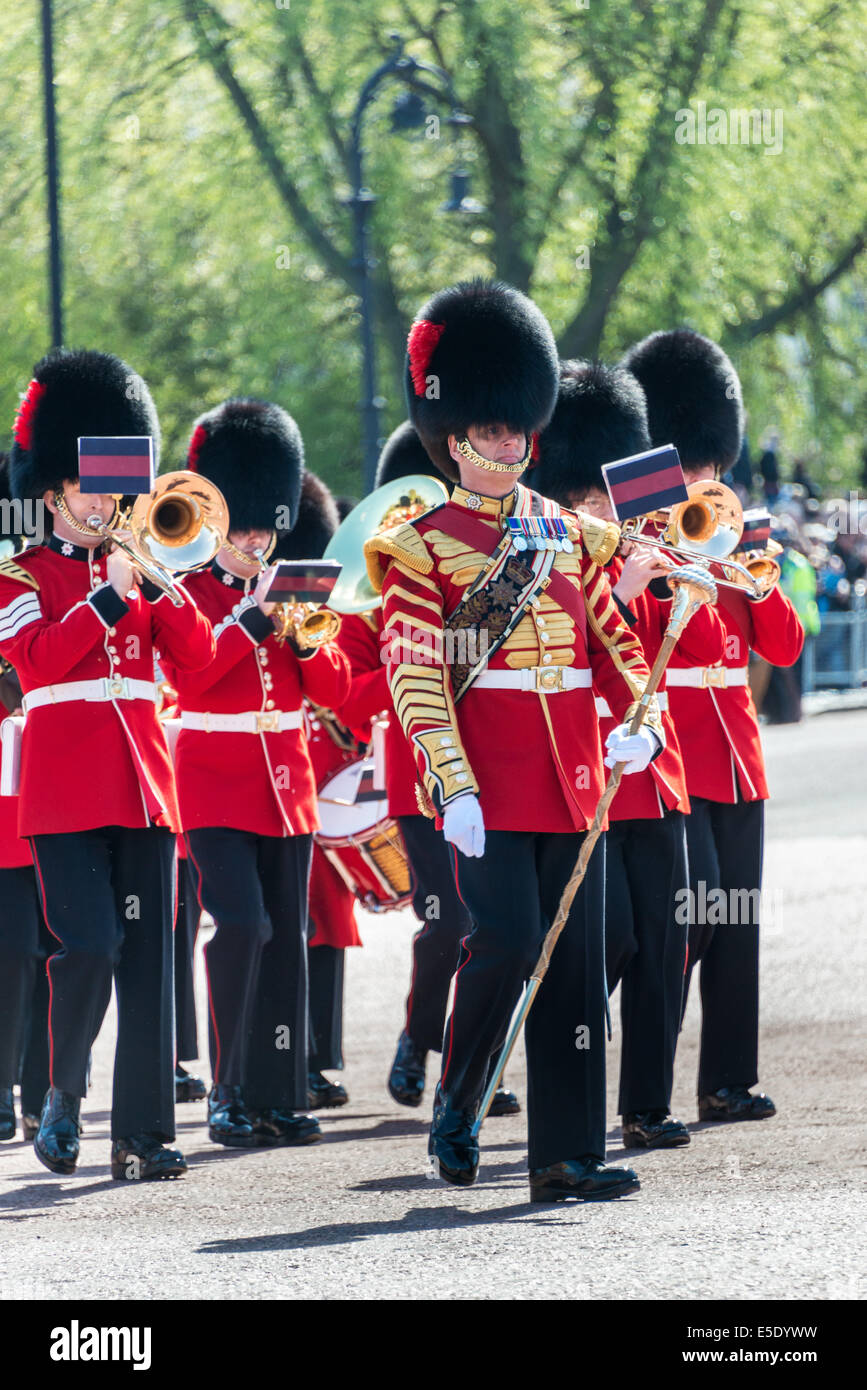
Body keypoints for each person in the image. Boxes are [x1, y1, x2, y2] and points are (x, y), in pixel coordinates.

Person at [366, 280, 666, 1203]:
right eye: (488, 430)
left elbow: (611, 643)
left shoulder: (563, 532)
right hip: (486, 784)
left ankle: (565, 1152)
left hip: (572, 774)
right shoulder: (416, 545)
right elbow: (417, 674)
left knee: (574, 958)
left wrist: (639, 724)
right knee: (504, 942)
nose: (505, 443)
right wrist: (450, 784)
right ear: (449, 433)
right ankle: (458, 1100)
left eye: (513, 429)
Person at [0, 348, 216, 1180]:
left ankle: (142, 1134)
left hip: (145, 789)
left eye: (114, 485)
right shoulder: (21, 573)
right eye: (89, 486)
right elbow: (38, 662)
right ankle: (62, 1094)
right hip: (63, 792)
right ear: (53, 490)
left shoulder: (143, 569)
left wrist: (162, 588)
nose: (106, 500)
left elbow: (195, 664)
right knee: (86, 945)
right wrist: (107, 597)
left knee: (150, 960)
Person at [533, 361, 726, 1149]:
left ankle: (645, 1103)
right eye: (590, 498)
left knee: (673, 935)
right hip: (591, 770)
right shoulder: (551, 553)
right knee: (606, 939)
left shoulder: (644, 546)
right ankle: (561, 1050)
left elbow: (706, 644)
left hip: (656, 768)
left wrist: (679, 577)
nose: (604, 509)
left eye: (606, 496)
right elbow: (557, 651)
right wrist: (617, 589)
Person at [624, 328, 805, 1122]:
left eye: (711, 462)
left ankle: (726, 1080)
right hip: (668, 749)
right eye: (693, 462)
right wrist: (667, 570)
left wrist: (753, 581)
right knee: (680, 921)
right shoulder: (642, 536)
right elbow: (624, 633)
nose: (706, 477)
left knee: (735, 920)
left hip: (737, 754)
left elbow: (784, 646)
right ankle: (646, 1096)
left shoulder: (736, 533)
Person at [165, 398, 351, 1149]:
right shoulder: (190, 589)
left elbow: (338, 690)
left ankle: (277, 1093)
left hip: (287, 788)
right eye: (241, 528)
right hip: (211, 781)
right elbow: (197, 675)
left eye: (264, 529)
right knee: (241, 927)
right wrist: (250, 620)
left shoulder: (293, 590)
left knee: (289, 938)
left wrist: (305, 640)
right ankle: (227, 1088)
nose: (253, 542)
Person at [337, 421, 519, 1116]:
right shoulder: (365, 601)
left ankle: (477, 1068)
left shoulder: (477, 566)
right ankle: (418, 1040)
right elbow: (349, 702)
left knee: (492, 925)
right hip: (417, 779)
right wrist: (409, 665)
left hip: (485, 768)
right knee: (445, 921)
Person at [271, 468, 359, 1109]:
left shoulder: (319, 606)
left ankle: (317, 1056)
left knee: (327, 922)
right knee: (277, 926)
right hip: (271, 773)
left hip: (316, 780)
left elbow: (340, 694)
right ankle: (270, 1061)